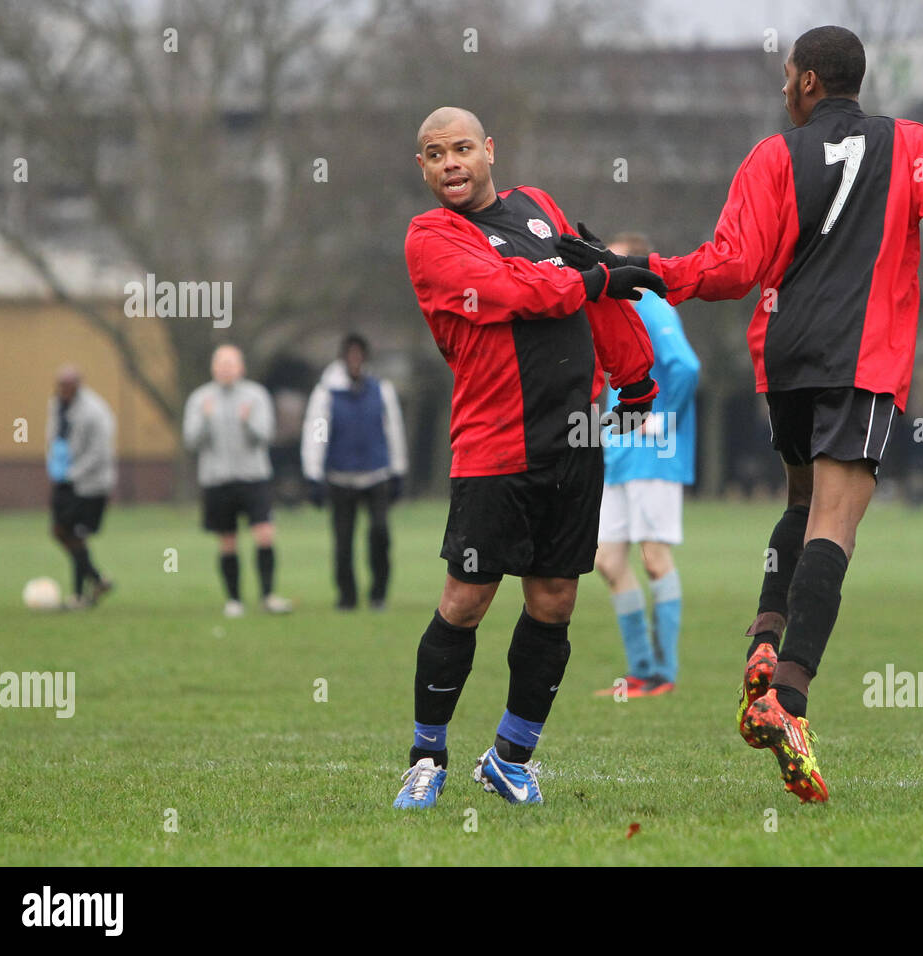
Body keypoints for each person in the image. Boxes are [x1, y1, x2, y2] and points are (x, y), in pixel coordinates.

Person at [558, 26, 923, 802]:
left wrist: (641, 272)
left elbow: (731, 269)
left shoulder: (773, 156)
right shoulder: (916, 145)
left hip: (787, 359)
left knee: (800, 502)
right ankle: (788, 696)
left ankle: (766, 635)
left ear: (805, 83)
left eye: (785, 76)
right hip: (863, 359)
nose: (783, 88)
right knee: (838, 520)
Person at [394, 106, 665, 809]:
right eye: (434, 154)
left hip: (574, 438)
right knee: (466, 599)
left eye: (461, 148)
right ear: (421, 169)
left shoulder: (540, 205)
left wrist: (635, 374)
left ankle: (511, 758)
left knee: (555, 600)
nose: (450, 162)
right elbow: (514, 292)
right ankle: (427, 758)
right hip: (494, 444)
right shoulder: (431, 238)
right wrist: (589, 281)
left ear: (489, 150)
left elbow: (596, 279)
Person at [592, 232, 700, 699]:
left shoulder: (650, 302)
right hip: (619, 453)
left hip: (653, 453)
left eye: (615, 262)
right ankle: (640, 670)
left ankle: (664, 673)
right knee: (608, 559)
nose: (607, 271)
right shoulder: (616, 313)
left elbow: (686, 366)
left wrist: (661, 419)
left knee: (654, 559)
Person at [183, 344, 293, 617]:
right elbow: (191, 440)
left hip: (253, 477)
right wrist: (206, 420)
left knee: (264, 533)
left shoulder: (256, 396)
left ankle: (268, 595)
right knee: (227, 540)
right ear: (213, 367)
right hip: (217, 480)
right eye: (221, 363)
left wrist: (247, 422)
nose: (226, 368)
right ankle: (234, 600)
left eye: (231, 363)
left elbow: (265, 435)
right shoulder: (200, 399)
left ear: (241, 367)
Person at [301, 334, 408, 611]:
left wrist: (398, 470)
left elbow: (392, 429)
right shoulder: (326, 394)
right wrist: (313, 474)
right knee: (343, 541)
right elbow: (317, 433)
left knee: (380, 534)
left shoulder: (381, 390)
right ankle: (347, 596)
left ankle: (378, 594)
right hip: (341, 477)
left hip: (376, 475)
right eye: (351, 355)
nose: (355, 361)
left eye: (359, 355)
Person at [45, 365, 116, 610]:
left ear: (78, 384)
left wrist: (73, 473)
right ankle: (96, 580)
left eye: (69, 384)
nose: (64, 389)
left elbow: (100, 451)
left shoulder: (95, 411)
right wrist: (54, 465)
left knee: (77, 533)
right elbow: (55, 438)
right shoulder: (56, 406)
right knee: (60, 530)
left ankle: (78, 595)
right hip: (63, 479)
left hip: (89, 484)